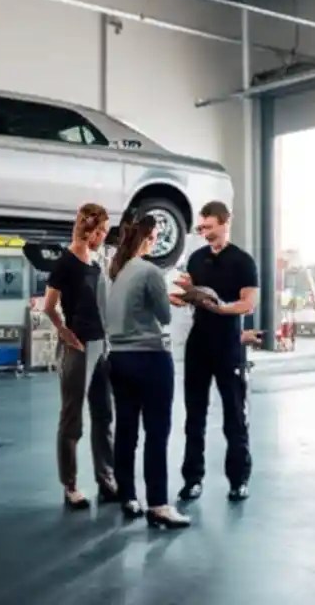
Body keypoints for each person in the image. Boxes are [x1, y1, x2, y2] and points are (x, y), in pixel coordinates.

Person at [104, 213, 191, 529]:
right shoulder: (151, 271)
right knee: (157, 432)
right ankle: (158, 505)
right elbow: (165, 316)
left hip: (119, 359)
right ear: (151, 238)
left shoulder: (119, 272)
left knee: (126, 430)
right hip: (150, 359)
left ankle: (128, 495)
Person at [172, 201, 259, 503]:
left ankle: (238, 480)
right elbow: (194, 295)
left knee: (234, 414)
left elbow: (248, 304)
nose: (205, 233)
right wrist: (184, 296)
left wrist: (221, 308)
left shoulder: (243, 262)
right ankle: (192, 480)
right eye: (202, 228)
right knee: (194, 416)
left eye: (210, 227)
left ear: (226, 222)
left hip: (228, 345)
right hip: (199, 344)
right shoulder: (196, 259)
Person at [43, 203, 117, 511]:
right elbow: (48, 306)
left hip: (101, 345)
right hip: (79, 347)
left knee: (104, 414)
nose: (103, 237)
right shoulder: (66, 263)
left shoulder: (95, 263)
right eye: (101, 231)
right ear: (89, 230)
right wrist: (64, 332)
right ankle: (70, 486)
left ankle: (107, 477)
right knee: (72, 418)